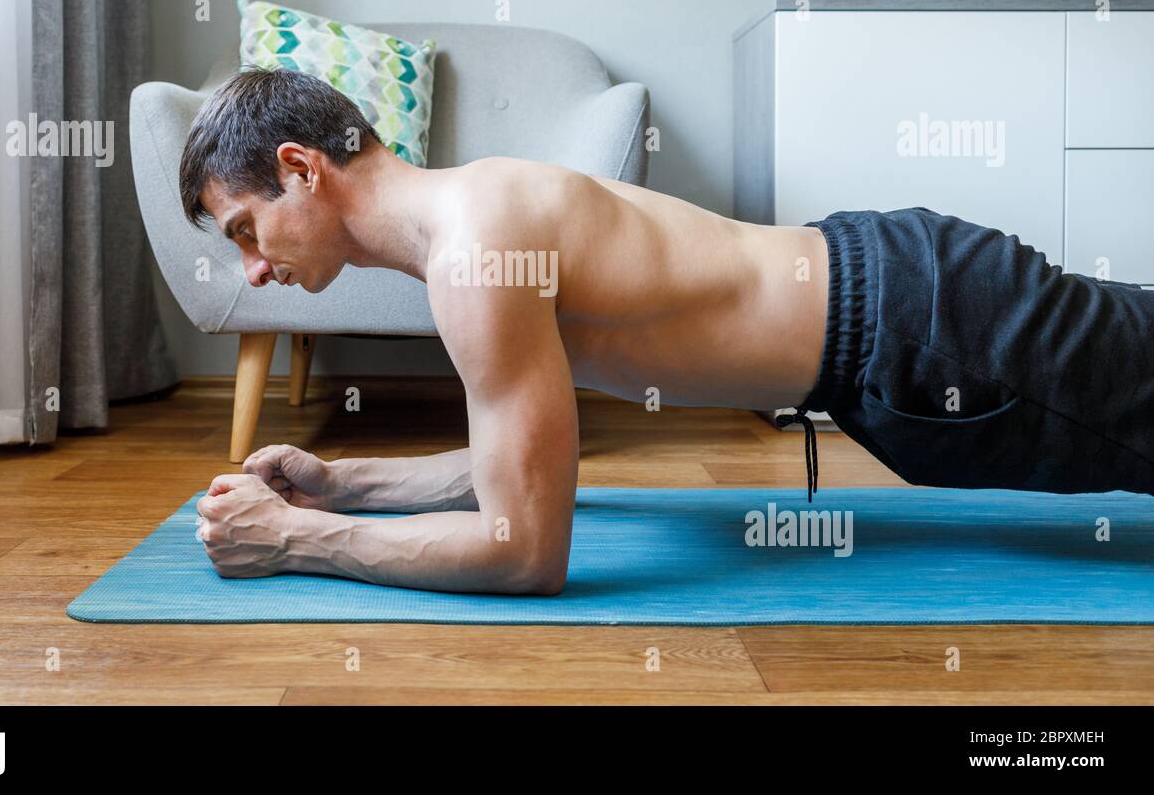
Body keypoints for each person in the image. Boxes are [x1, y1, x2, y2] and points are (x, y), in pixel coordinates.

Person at [180, 68, 1154, 592]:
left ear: (303, 169)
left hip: (927, 334)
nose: (257, 268)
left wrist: (300, 539)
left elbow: (522, 549)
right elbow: (512, 460)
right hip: (904, 312)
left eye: (245, 231)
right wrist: (343, 480)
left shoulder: (477, 252)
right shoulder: (475, 221)